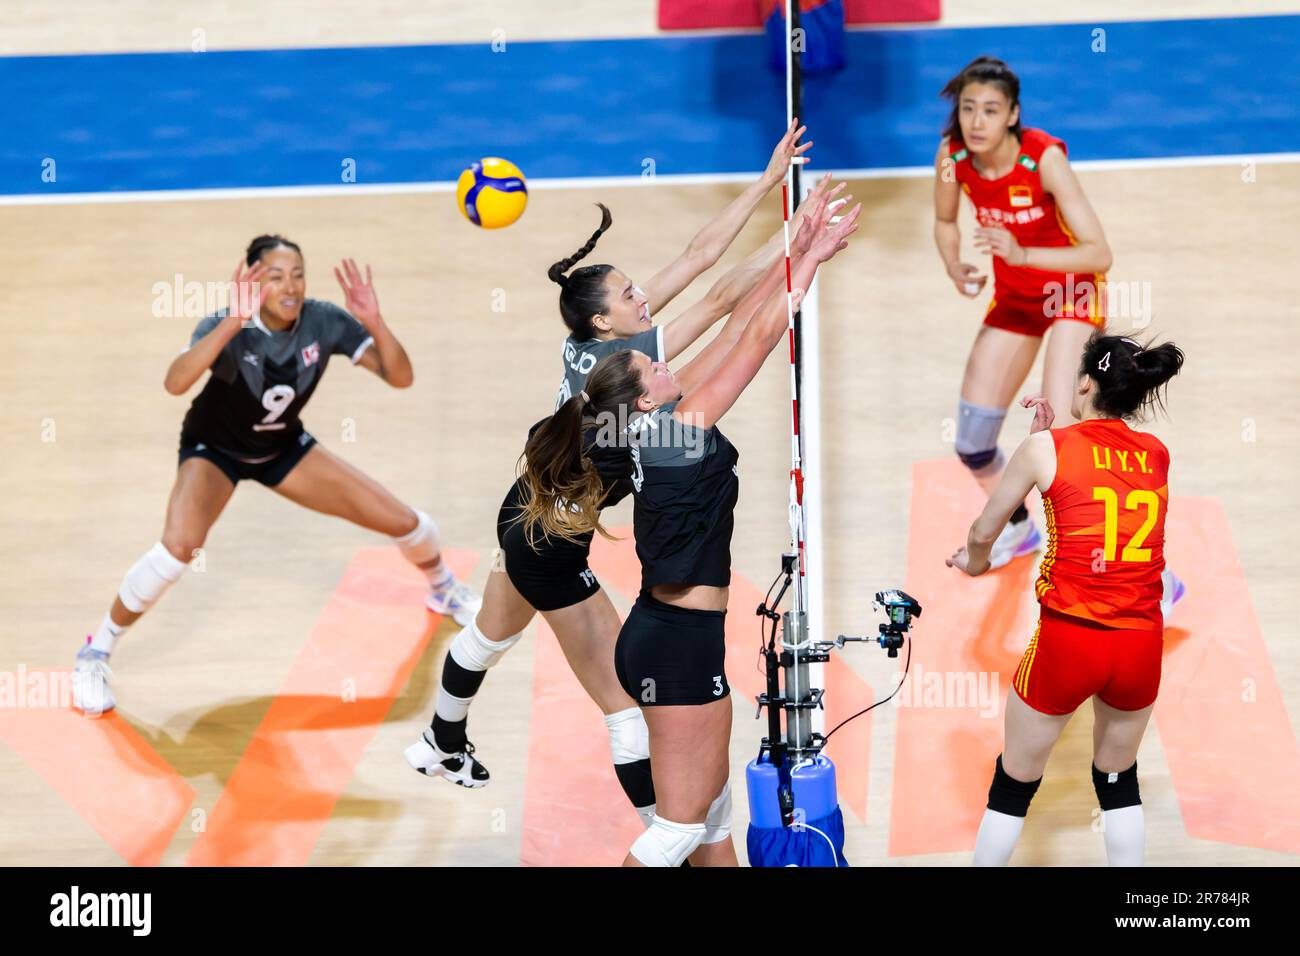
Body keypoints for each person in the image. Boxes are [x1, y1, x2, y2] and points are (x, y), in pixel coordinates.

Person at [405, 124, 832, 818]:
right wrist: (796, 243)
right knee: (626, 707)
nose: (642, 299)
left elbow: (698, 258)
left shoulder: (591, 342)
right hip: (551, 547)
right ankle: (663, 840)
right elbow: (725, 306)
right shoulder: (621, 368)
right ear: (609, 326)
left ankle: (440, 740)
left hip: (524, 513)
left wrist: (764, 181)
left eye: (638, 291)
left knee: (490, 634)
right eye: (631, 298)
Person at [518, 193, 859, 866]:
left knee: (711, 821)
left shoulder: (653, 423)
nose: (666, 357)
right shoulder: (679, 431)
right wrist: (806, 256)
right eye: (654, 365)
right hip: (678, 651)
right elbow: (756, 338)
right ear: (647, 395)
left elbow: (737, 332)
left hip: (664, 637)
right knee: (678, 831)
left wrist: (796, 254)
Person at [73, 238, 479, 715]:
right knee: (176, 551)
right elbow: (174, 382)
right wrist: (230, 323)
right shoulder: (230, 326)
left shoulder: (324, 321)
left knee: (410, 523)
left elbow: (401, 377)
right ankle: (94, 652)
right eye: (275, 276)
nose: (290, 286)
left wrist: (372, 318)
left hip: (282, 448)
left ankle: (443, 589)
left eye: (298, 274)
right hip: (214, 451)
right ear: (251, 282)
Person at [945, 332, 1185, 866]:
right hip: (1140, 645)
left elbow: (986, 530)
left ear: (1083, 383)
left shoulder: (1046, 448)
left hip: (1069, 642)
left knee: (1014, 784)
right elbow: (1099, 485)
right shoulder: (1157, 453)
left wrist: (976, 563)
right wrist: (1046, 445)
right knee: (1118, 779)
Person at [934, 55, 1114, 570]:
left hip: (1070, 297)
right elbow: (945, 221)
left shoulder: (1044, 159)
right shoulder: (952, 156)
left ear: (1013, 114)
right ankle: (1018, 530)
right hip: (1015, 301)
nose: (976, 121)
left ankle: (1145, 572)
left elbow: (1100, 253)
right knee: (971, 444)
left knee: (1058, 445)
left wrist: (1022, 255)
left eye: (990, 110)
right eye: (969, 109)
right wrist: (954, 263)